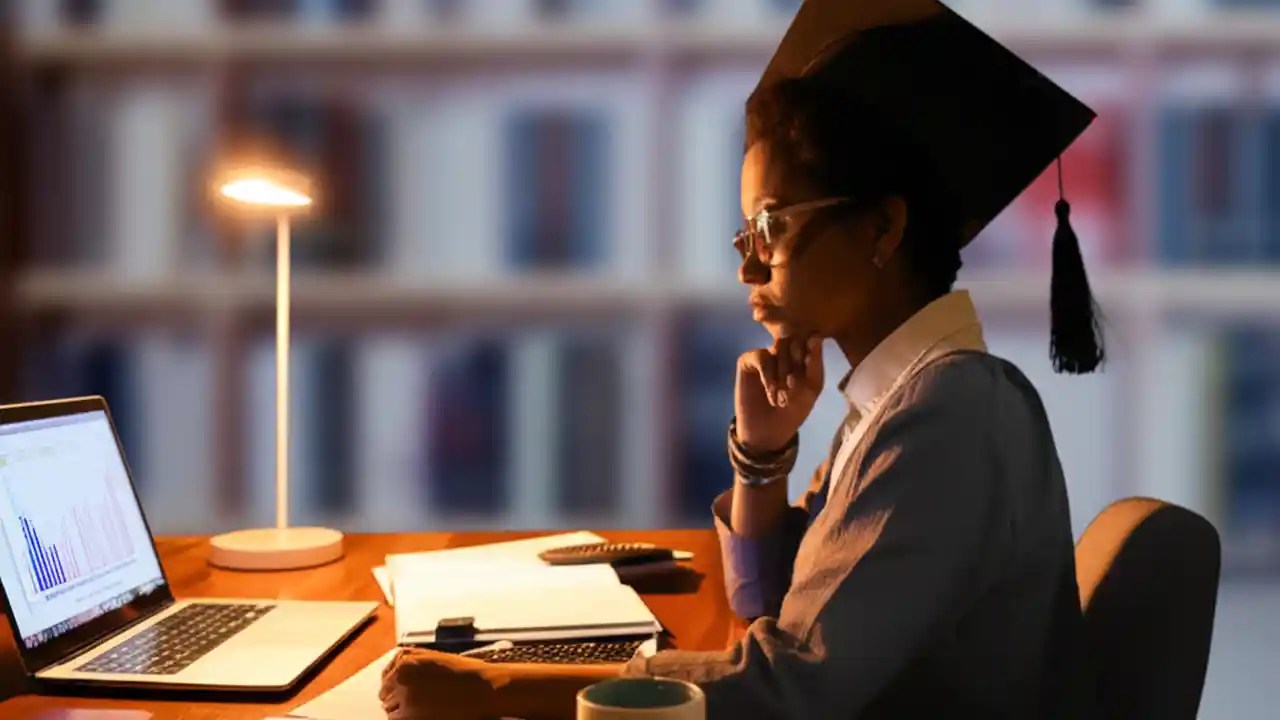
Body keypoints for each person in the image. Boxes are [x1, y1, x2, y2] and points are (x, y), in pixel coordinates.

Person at [380, 1, 1104, 718]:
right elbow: (770, 601)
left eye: (770, 227)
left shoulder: (946, 414)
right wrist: (762, 454)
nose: (747, 269)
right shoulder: (904, 396)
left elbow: (791, 687)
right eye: (745, 234)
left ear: (882, 227)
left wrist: (503, 687)